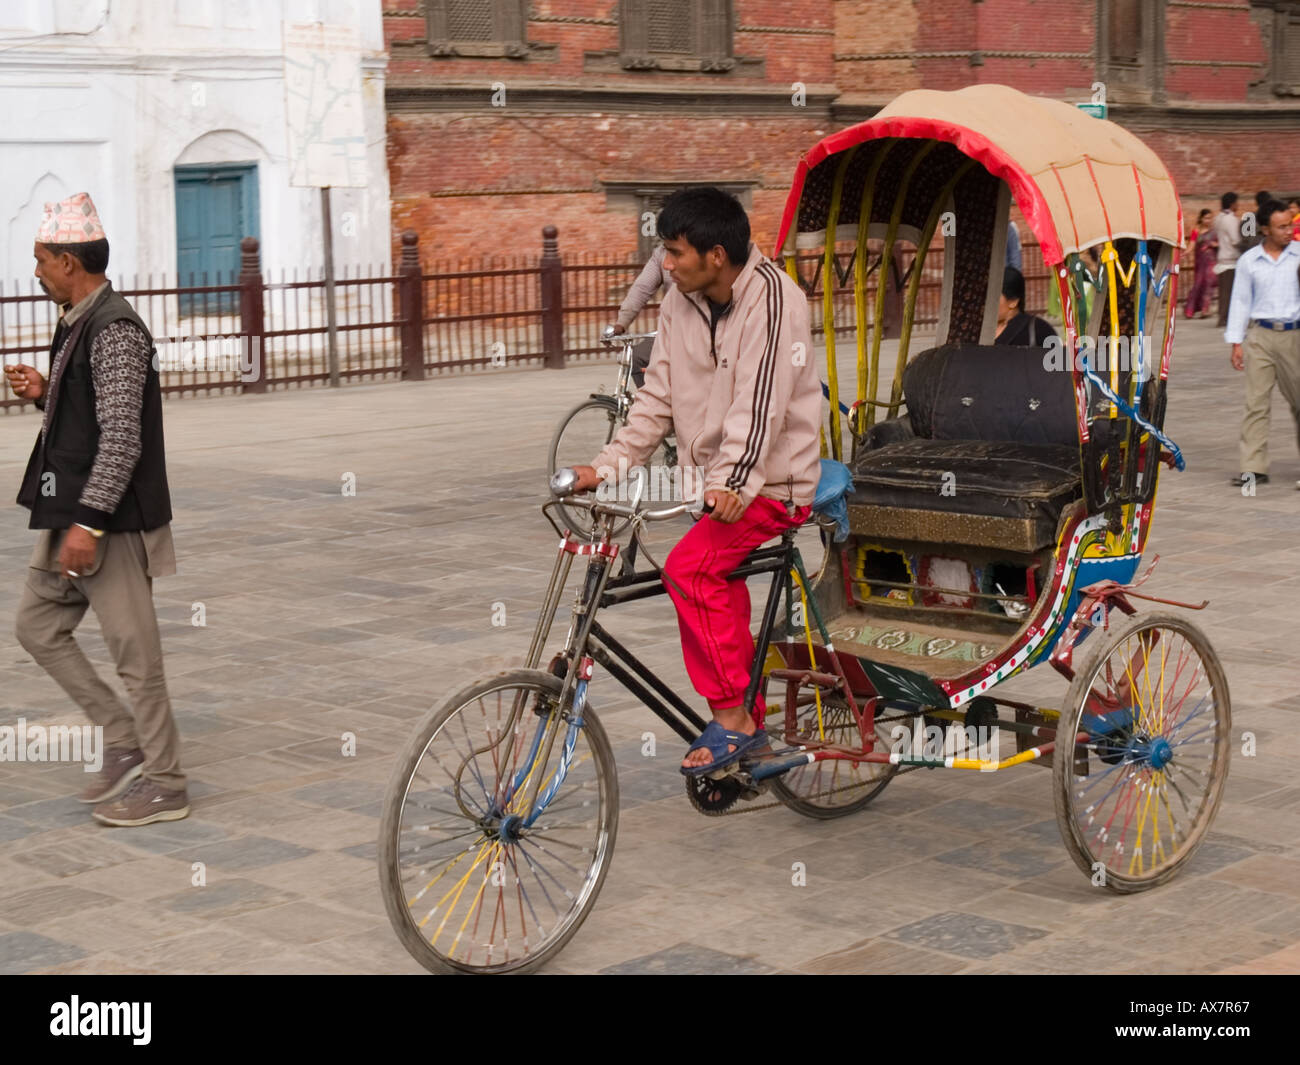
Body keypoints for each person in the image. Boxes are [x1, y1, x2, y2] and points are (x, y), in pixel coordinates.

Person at [569, 187, 821, 775]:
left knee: (690, 569)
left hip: (772, 483)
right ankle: (750, 725)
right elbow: (656, 397)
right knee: (710, 578)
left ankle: (734, 721)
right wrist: (606, 467)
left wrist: (733, 481)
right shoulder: (680, 300)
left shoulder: (776, 301)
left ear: (714, 254)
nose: (665, 263)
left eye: (675, 252)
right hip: (710, 486)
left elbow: (762, 405)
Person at [4, 192, 187, 826]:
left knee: (138, 658)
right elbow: (91, 411)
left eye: (41, 259)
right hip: (70, 515)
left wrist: (88, 525)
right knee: (36, 627)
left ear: (70, 262)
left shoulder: (114, 330)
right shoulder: (78, 319)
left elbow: (122, 437)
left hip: (108, 523)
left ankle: (166, 783)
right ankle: (120, 735)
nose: (35, 271)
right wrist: (45, 393)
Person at [1225, 200, 1300, 488]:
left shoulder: (1298, 256)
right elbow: (1241, 300)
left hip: (1294, 336)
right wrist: (1236, 342)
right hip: (1260, 337)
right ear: (1266, 229)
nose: (1288, 231)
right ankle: (1254, 468)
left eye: (1290, 225)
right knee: (1256, 403)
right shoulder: (1249, 261)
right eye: (1281, 227)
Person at [613, 244, 674, 388]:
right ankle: (652, 405)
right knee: (636, 357)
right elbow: (641, 288)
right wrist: (622, 322)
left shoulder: (700, 247)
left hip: (700, 330)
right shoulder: (662, 252)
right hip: (671, 330)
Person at [994, 266, 1057, 347]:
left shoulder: (1040, 330)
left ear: (1013, 302)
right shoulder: (979, 332)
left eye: (993, 298)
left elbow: (1057, 358)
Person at [1213, 192, 1243, 328]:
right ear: (1232, 204)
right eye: (1237, 203)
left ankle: (1223, 316)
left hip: (1223, 257)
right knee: (1229, 291)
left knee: (1225, 291)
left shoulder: (1218, 218)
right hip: (1231, 257)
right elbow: (1236, 239)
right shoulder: (1230, 219)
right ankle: (1225, 317)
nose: (1238, 205)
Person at [1184, 208, 1217, 319]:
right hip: (1200, 262)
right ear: (1201, 218)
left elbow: (1220, 244)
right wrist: (1185, 253)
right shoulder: (1196, 231)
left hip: (1211, 261)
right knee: (1198, 284)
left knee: (1208, 284)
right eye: (1206, 218)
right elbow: (1192, 245)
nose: (1208, 220)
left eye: (1210, 218)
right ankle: (1190, 310)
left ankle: (1205, 309)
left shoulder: (1214, 231)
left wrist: (1213, 244)